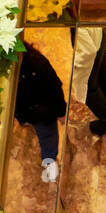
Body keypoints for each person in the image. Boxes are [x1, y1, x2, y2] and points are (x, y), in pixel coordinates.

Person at [14, 45, 66, 182]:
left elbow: (55, 87)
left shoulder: (37, 64)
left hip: (42, 114)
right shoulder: (31, 63)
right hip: (26, 111)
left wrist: (61, 112)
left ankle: (50, 162)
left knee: (48, 137)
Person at [72, 27, 106, 136]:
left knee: (90, 93)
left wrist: (77, 77)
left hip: (90, 45)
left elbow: (87, 52)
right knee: (103, 74)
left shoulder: (69, 14)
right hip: (97, 34)